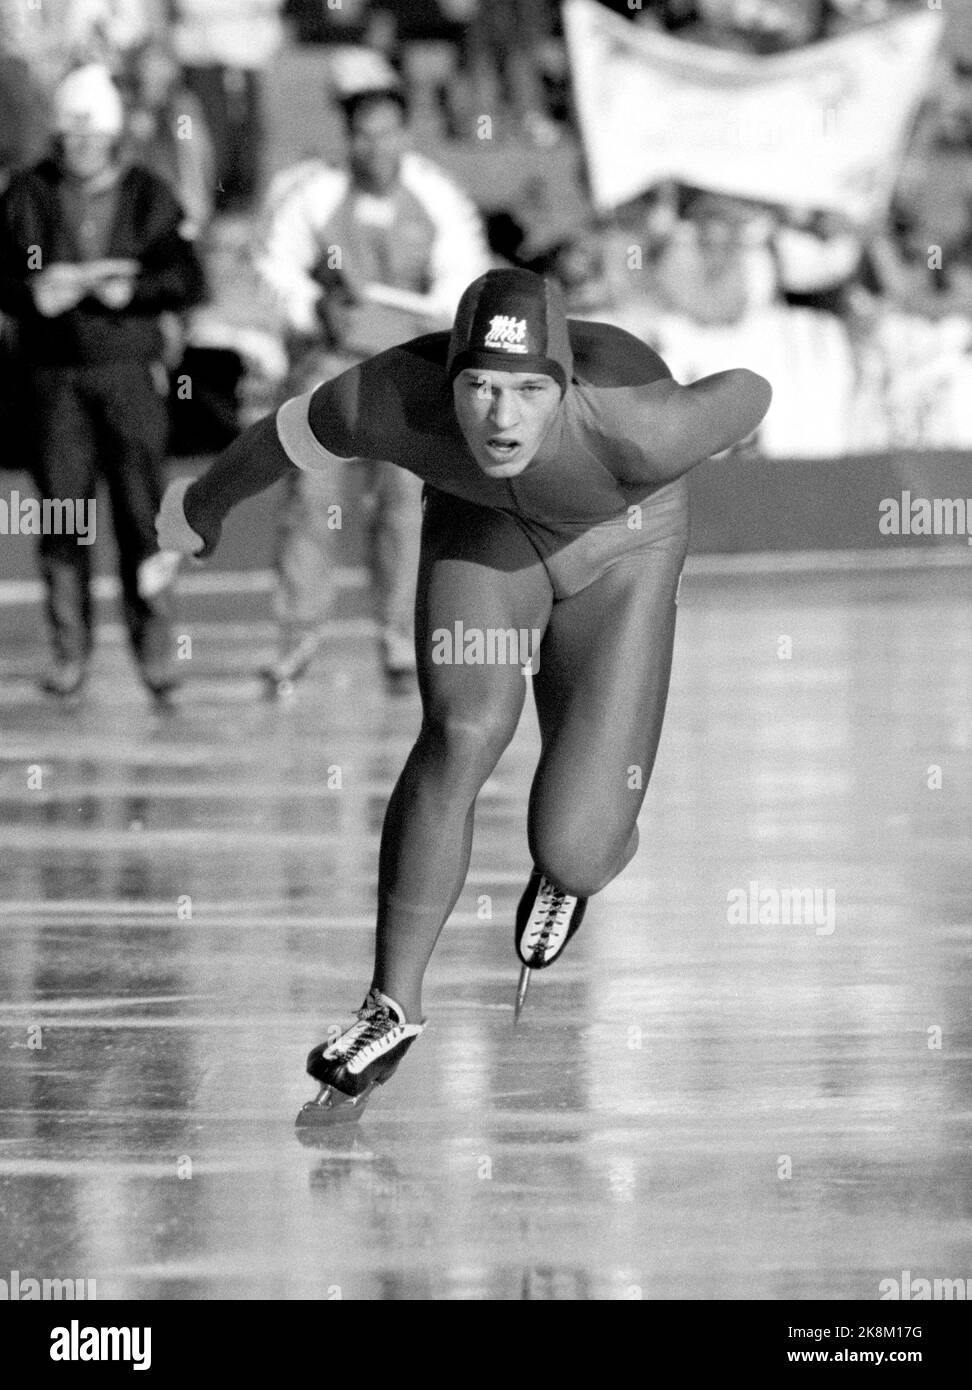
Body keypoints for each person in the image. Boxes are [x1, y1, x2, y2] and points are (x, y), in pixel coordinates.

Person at [155, 268, 771, 1117]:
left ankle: (575, 864)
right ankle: (391, 1006)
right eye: (478, 388)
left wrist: (721, 428)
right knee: (463, 728)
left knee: (575, 845)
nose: (501, 418)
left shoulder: (643, 427)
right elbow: (282, 440)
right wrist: (202, 506)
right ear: (449, 380)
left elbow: (752, 389)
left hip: (622, 549)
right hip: (482, 529)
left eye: (527, 391)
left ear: (563, 388)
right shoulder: (387, 399)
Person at [253, 57, 491, 694]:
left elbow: (464, 277)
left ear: (405, 136)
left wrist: (438, 308)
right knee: (310, 499)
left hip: (410, 370)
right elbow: (275, 272)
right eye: (363, 134)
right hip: (328, 368)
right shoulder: (311, 194)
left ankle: (400, 642)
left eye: (387, 133)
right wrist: (311, 307)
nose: (375, 147)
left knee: (406, 507)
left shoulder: (438, 197)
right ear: (347, 137)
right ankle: (298, 637)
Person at [0, 63, 205, 701]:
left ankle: (155, 649)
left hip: (128, 376)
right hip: (54, 378)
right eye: (69, 138)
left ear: (113, 136)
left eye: (91, 138)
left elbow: (187, 279)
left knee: (142, 514)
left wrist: (134, 290)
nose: (79, 149)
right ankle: (69, 651)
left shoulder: (148, 195)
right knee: (65, 513)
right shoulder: (28, 194)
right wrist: (36, 295)